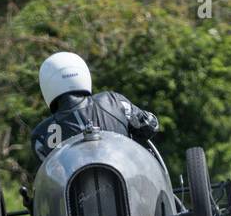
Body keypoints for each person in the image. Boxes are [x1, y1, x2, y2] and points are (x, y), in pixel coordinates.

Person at [29, 52, 160, 169]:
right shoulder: (114, 101)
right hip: (130, 187)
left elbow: (49, 180)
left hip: (75, 196)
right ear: (83, 73)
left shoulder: (41, 135)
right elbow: (150, 126)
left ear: (47, 84)